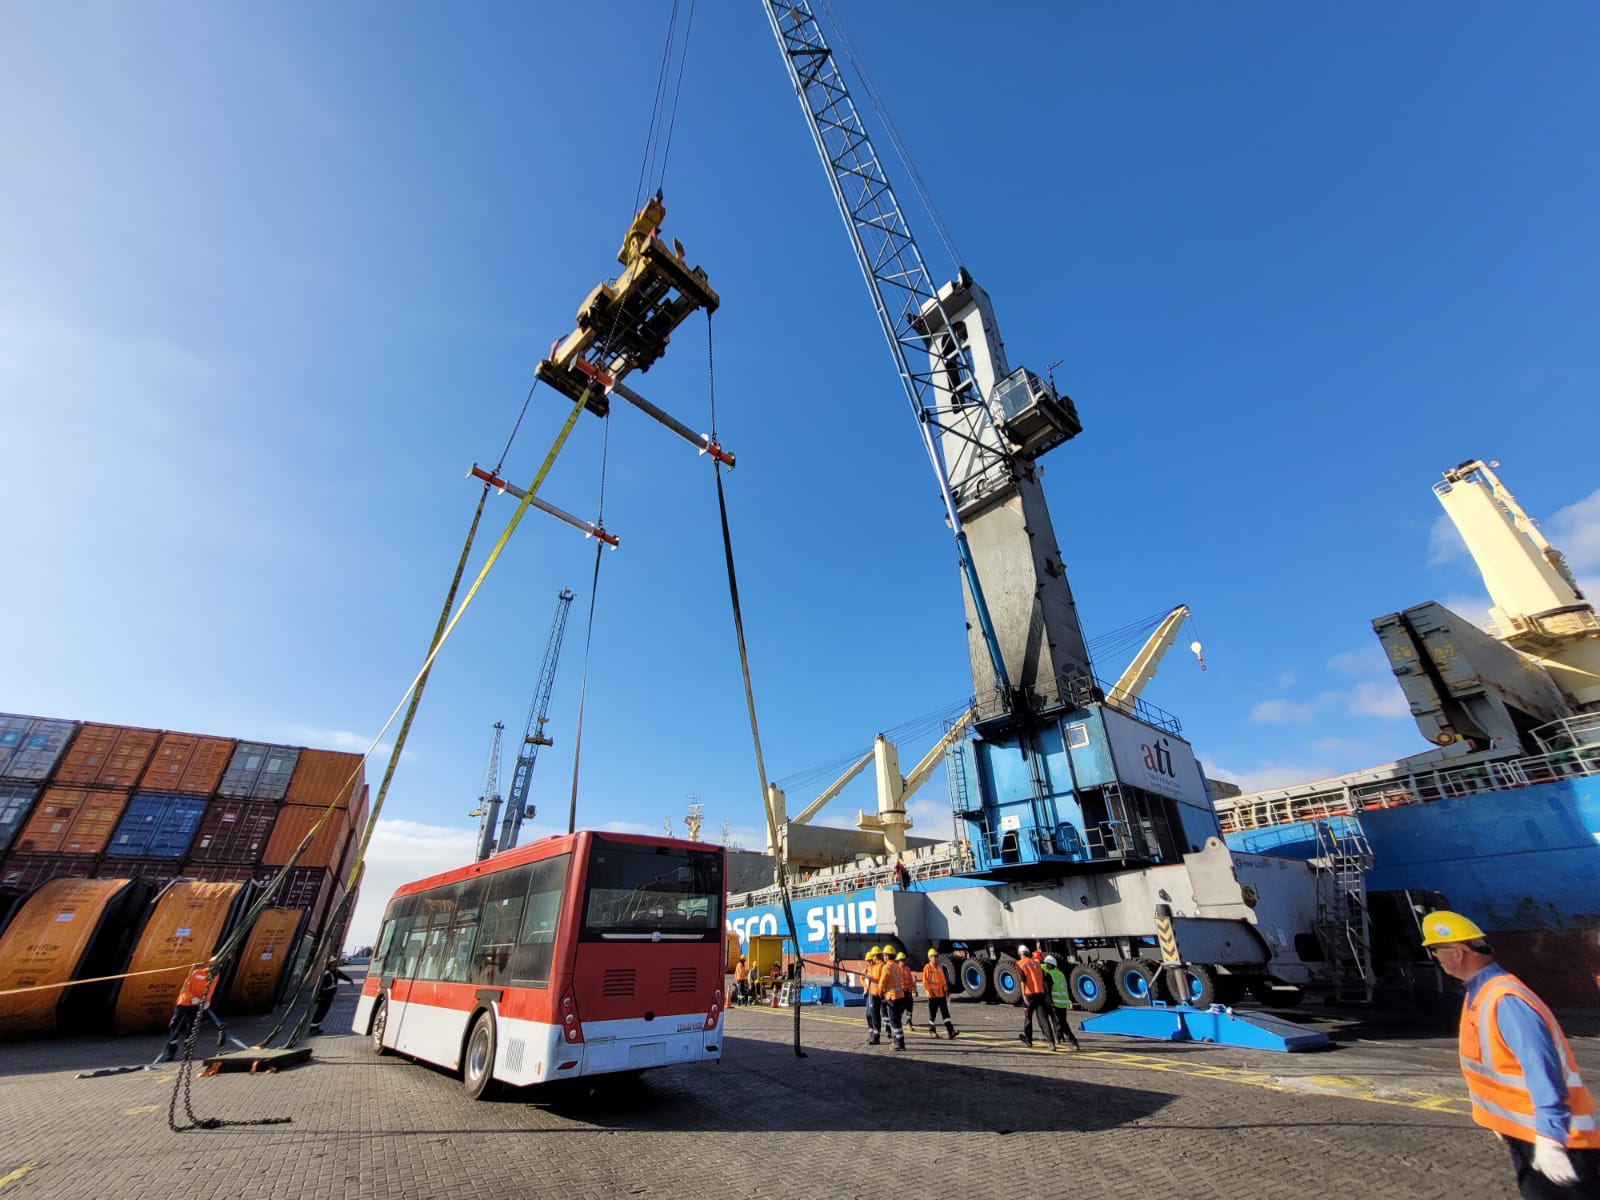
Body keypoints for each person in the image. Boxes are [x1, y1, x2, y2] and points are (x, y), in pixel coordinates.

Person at [1423, 910, 1598, 1197]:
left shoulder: (1505, 999)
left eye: (1435, 950)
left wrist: (1551, 1138)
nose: (1435, 958)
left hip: (1561, 1141)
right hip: (1527, 1134)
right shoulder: (1481, 992)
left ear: (1456, 953)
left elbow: (1542, 1068)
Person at [157, 963, 218, 1063]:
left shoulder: (215, 977)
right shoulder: (196, 973)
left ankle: (188, 1051)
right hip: (184, 1002)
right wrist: (192, 998)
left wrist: (207, 1001)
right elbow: (186, 987)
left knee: (192, 1027)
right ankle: (171, 1051)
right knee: (175, 1025)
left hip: (196, 1004)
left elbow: (211, 990)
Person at [1014, 945, 1057, 1050]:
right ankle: (1051, 1042)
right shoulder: (1036, 963)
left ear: (1020, 954)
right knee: (1043, 1018)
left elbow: (1022, 980)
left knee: (1028, 1017)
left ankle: (1028, 1041)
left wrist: (1023, 995)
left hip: (1029, 994)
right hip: (1040, 993)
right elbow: (1043, 978)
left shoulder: (1020, 964)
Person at [1040, 955, 1081, 1050]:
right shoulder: (1060, 973)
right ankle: (1058, 1038)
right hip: (1063, 1002)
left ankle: (1073, 1041)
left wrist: (1050, 1002)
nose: (1045, 965)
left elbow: (1048, 991)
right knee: (1060, 1022)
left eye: (1046, 964)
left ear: (1049, 965)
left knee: (1062, 1024)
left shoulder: (1050, 975)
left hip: (1056, 1002)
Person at [311, 958, 356, 1033]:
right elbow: (320, 987)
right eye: (332, 965)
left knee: (324, 1012)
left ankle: (317, 1027)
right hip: (324, 996)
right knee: (319, 1012)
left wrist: (350, 980)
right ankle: (313, 1028)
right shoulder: (326, 974)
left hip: (330, 996)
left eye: (335, 964)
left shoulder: (336, 972)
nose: (334, 966)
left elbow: (343, 976)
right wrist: (318, 997)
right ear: (328, 965)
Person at [922, 949, 958, 1039]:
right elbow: (925, 982)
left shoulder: (939, 967)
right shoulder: (927, 968)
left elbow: (943, 980)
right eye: (934, 956)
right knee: (932, 1015)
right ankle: (932, 1031)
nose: (936, 958)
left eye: (937, 956)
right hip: (932, 996)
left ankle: (951, 1031)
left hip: (941, 995)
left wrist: (946, 990)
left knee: (946, 1014)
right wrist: (930, 991)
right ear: (929, 958)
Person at [878, 951, 910, 1051]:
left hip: (892, 997)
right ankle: (897, 1041)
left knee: (894, 1021)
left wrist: (880, 992)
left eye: (884, 955)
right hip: (900, 996)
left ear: (887, 956)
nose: (883, 957)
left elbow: (882, 982)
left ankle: (900, 1043)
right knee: (897, 1020)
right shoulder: (896, 966)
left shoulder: (886, 967)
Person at [863, 947, 884, 1045]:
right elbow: (864, 977)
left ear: (876, 956)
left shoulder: (881, 966)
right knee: (871, 1014)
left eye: (873, 957)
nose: (871, 959)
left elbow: (880, 980)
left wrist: (871, 978)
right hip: (872, 993)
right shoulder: (873, 966)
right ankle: (873, 1035)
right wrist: (866, 988)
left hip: (877, 994)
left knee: (875, 1015)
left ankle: (876, 1036)